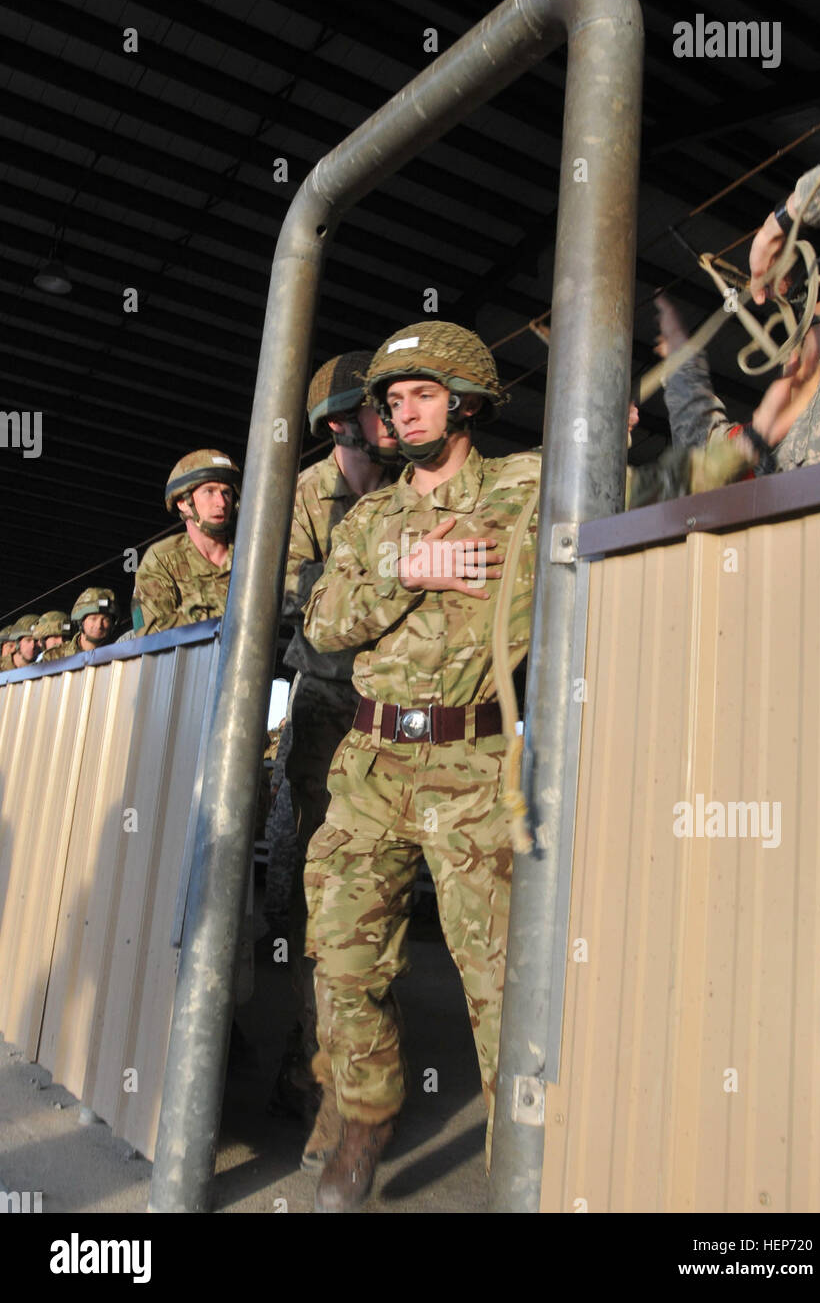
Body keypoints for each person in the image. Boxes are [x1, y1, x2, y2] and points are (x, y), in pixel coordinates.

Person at [300, 320, 537, 1212]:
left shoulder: (527, 487)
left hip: (475, 762)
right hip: (371, 764)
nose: (400, 412)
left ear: (466, 401)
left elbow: (652, 490)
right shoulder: (370, 518)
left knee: (501, 979)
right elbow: (322, 625)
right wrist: (415, 565)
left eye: (420, 395)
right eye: (391, 401)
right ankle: (363, 1120)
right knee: (344, 960)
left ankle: (521, 1163)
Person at [265, 351, 400, 1139]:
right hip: (323, 705)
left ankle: (341, 1064)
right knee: (300, 898)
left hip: (392, 704)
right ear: (343, 420)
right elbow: (289, 592)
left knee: (365, 901)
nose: (397, 418)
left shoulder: (408, 489)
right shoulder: (305, 496)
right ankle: (295, 1065)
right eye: (380, 406)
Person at [662, 137, 820, 470]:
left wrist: (778, 225)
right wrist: (680, 370)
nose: (794, 335)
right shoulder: (784, 434)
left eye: (802, 313)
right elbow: (704, 460)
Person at [131, 450, 242, 633]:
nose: (221, 503)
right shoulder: (162, 559)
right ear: (183, 502)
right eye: (209, 492)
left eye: (227, 493)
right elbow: (151, 632)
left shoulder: (252, 552)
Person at [41, 589, 119, 659]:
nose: (99, 625)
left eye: (106, 619)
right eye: (93, 619)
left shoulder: (118, 654)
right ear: (81, 621)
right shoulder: (54, 656)